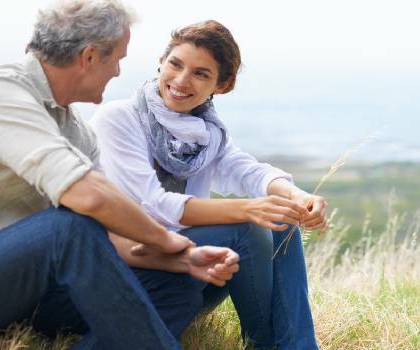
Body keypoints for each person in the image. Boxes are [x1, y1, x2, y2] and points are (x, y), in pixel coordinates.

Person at [0, 2, 240, 349]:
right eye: (117, 59)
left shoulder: (76, 132)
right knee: (67, 227)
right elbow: (88, 198)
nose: (118, 71)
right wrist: (168, 241)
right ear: (89, 57)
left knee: (176, 285)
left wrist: (180, 259)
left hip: (25, 288)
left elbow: (109, 239)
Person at [89, 20, 328, 349]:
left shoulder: (205, 133)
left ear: (223, 85)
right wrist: (247, 209)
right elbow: (150, 205)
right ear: (161, 61)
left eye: (201, 74)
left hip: (193, 271)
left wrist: (297, 197)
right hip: (134, 273)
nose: (181, 80)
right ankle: (268, 344)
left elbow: (248, 172)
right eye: (175, 64)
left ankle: (299, 345)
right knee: (246, 226)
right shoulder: (117, 119)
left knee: (282, 218)